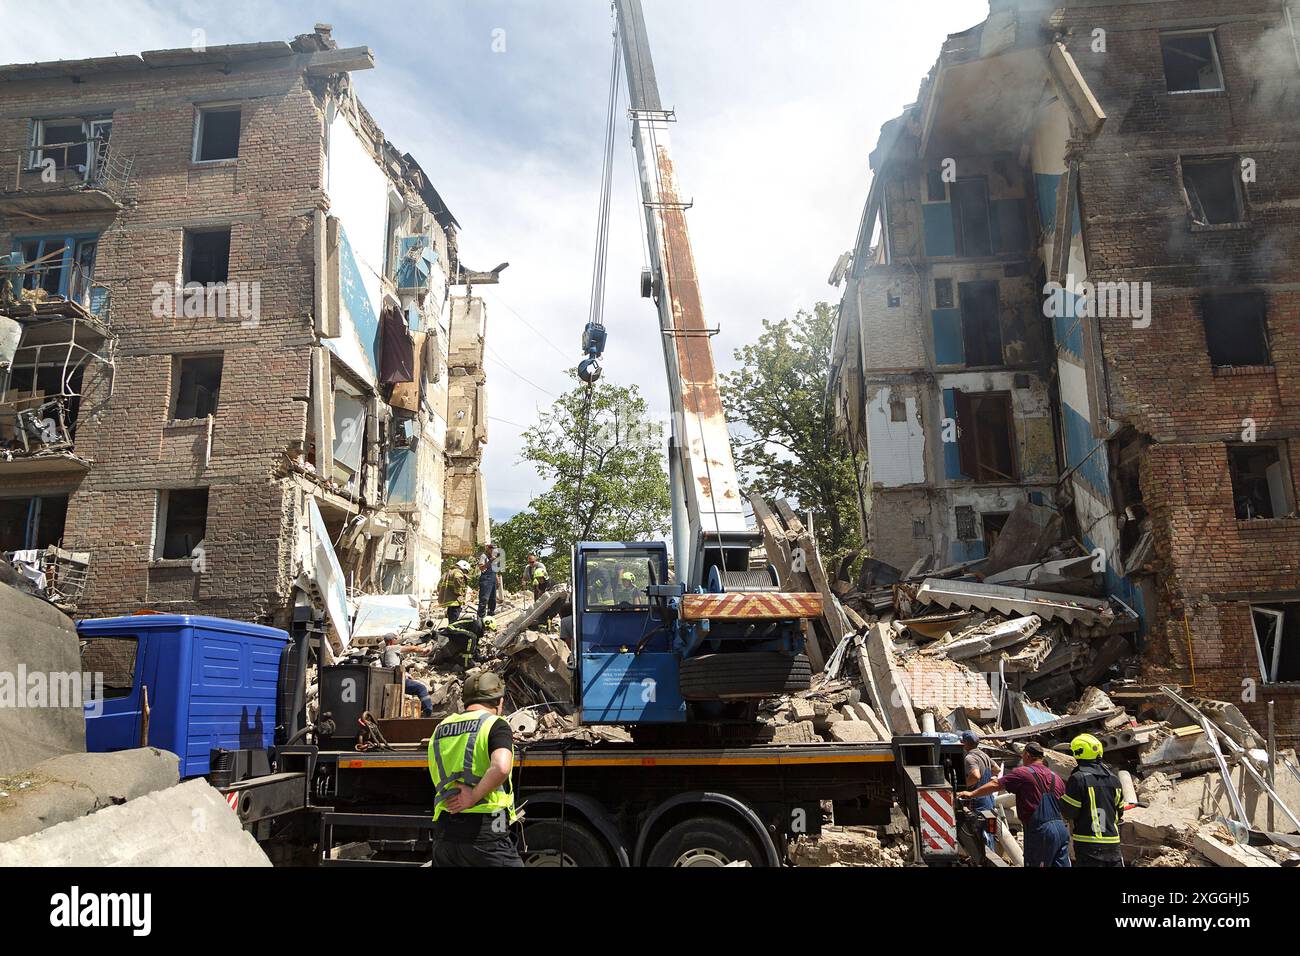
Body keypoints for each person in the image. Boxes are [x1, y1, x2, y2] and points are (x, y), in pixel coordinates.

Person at [427, 671, 521, 867]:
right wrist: (473, 795)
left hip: (446, 833)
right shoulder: (495, 724)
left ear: (466, 700)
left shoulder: (441, 727)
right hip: (487, 832)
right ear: (500, 702)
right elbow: (501, 767)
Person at [960, 741, 1070, 867]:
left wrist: (971, 793)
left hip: (1041, 831)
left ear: (1027, 755)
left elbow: (996, 784)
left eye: (1023, 755)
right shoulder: (1056, 777)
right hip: (1061, 830)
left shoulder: (1023, 773)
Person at [1062, 733, 1125, 867]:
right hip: (1113, 845)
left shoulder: (1078, 778)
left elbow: (1069, 812)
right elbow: (1120, 812)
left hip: (1088, 846)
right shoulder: (1115, 780)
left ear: (1078, 753)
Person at [380, 633, 434, 717]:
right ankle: (428, 712)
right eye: (395, 639)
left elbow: (392, 664)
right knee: (421, 688)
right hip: (397, 679)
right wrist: (424, 649)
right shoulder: (393, 648)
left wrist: (406, 674)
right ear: (391, 641)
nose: (397, 641)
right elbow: (413, 648)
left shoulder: (384, 652)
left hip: (390, 678)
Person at [960, 730, 996, 850]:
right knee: (990, 834)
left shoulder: (970, 757)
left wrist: (965, 787)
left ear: (965, 743)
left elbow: (975, 776)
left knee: (982, 837)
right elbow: (996, 770)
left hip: (979, 802)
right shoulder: (984, 755)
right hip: (990, 801)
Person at [439, 559, 471, 624]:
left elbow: (439, 586)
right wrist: (460, 594)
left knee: (451, 619)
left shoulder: (447, 573)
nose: (464, 573)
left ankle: (450, 631)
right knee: (454, 621)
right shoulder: (458, 572)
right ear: (463, 567)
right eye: (465, 571)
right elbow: (458, 581)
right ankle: (452, 632)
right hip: (455, 601)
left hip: (448, 600)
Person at [476, 544, 499, 622]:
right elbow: (481, 568)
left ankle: (490, 617)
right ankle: (480, 618)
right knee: (484, 599)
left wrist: (497, 580)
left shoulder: (494, 558)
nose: (494, 551)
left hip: (492, 580)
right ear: (488, 549)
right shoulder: (484, 556)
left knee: (493, 599)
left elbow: (495, 570)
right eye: (492, 549)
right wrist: (490, 561)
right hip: (485, 579)